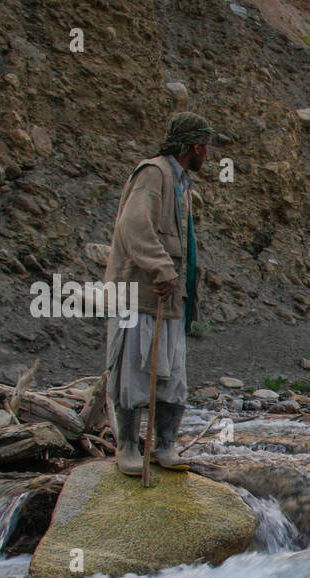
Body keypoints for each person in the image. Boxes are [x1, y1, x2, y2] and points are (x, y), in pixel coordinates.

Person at [103, 111, 211, 476]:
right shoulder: (154, 174)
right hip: (140, 294)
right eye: (206, 147)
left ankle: (165, 445)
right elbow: (134, 225)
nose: (208, 154)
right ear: (195, 146)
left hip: (171, 298)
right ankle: (128, 447)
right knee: (134, 372)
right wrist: (161, 268)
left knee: (173, 376)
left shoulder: (182, 183)